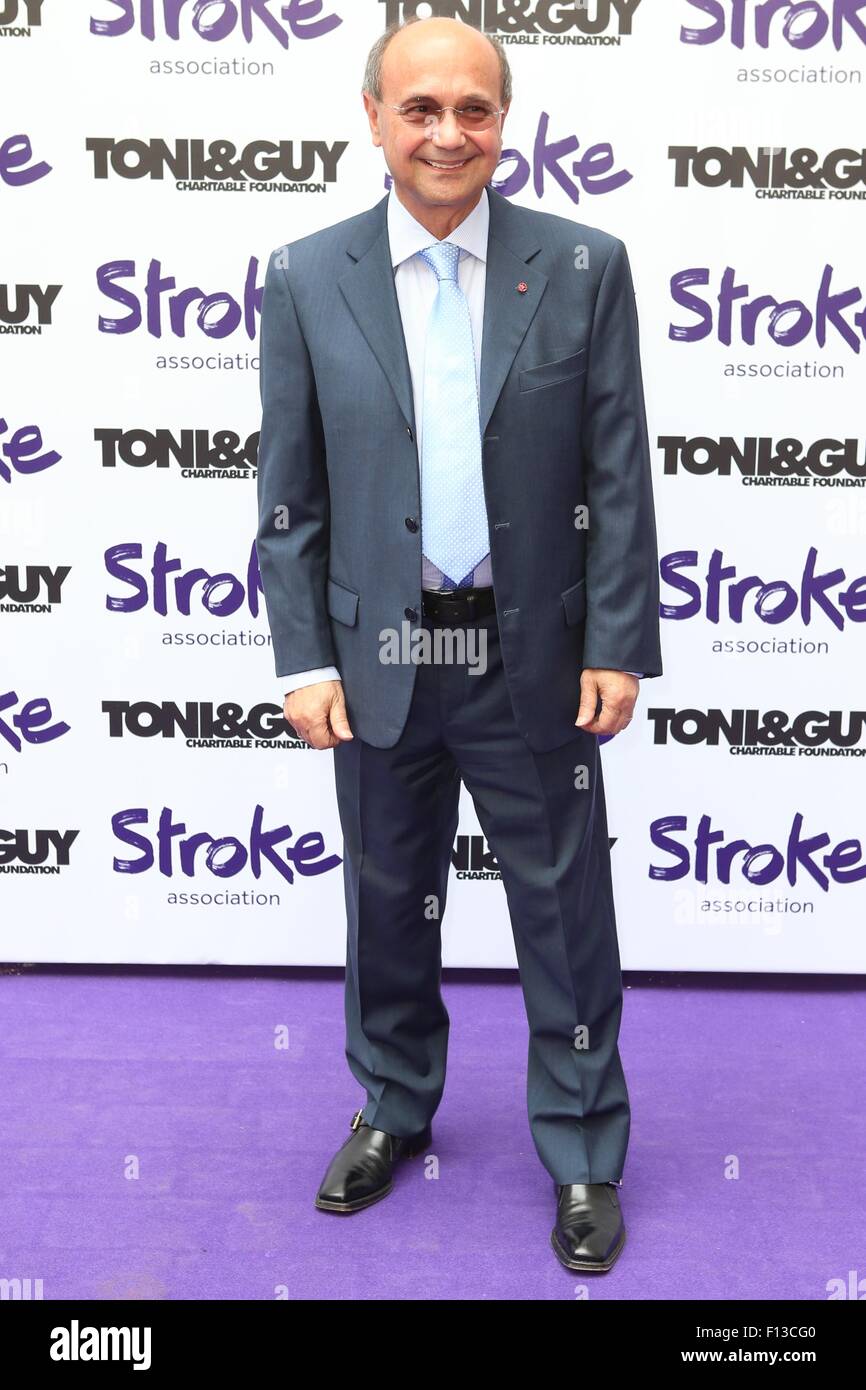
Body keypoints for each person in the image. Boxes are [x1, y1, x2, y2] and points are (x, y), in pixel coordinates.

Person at [255, 14, 661, 1272]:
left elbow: (617, 469)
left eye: (473, 109)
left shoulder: (584, 266)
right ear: (373, 116)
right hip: (377, 660)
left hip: (526, 658)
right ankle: (390, 1106)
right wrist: (302, 658)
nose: (448, 132)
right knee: (386, 906)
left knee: (564, 916)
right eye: (420, 108)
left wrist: (615, 641)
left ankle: (584, 1152)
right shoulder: (307, 275)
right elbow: (293, 486)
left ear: (503, 123)